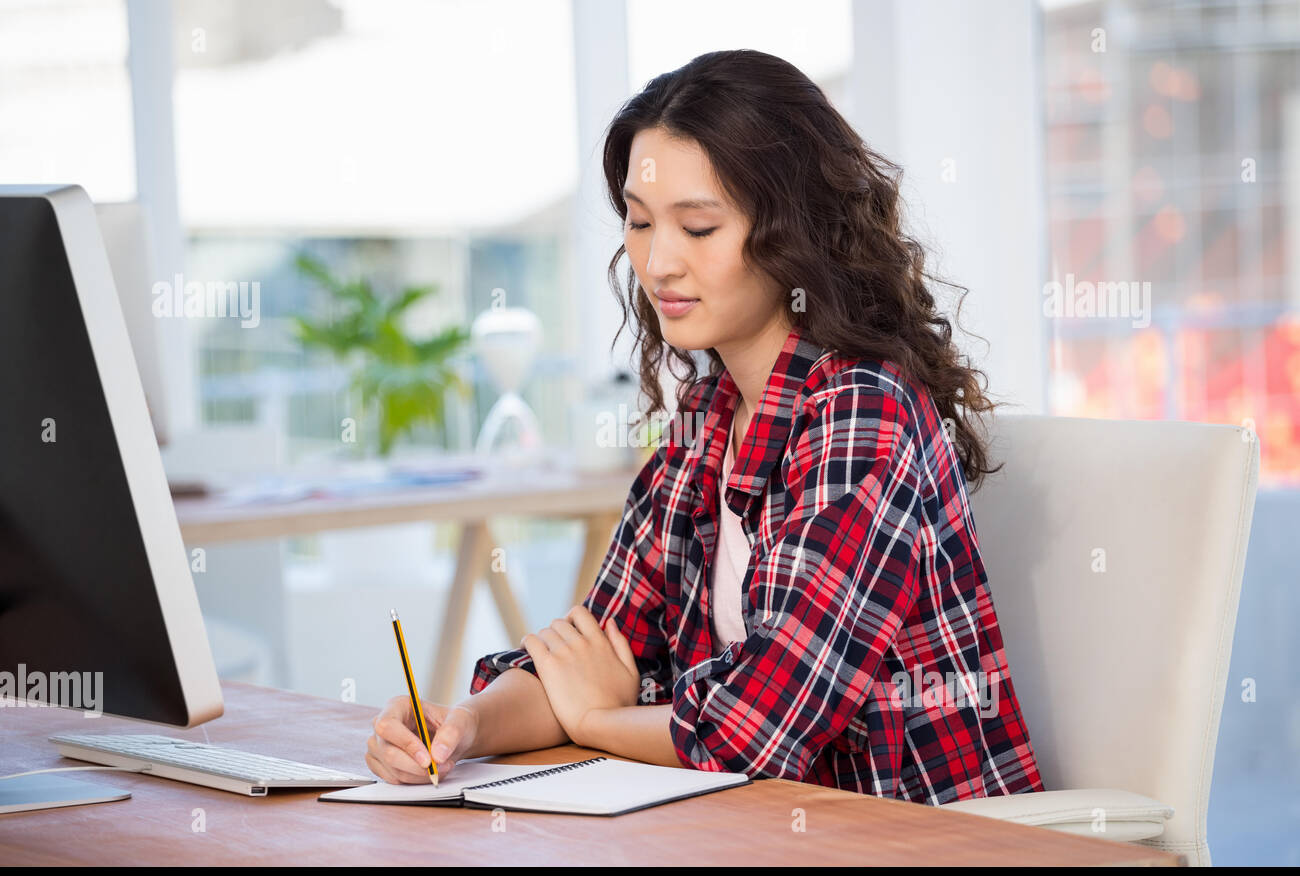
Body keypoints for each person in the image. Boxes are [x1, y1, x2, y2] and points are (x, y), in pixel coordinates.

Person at [365, 49, 1044, 805]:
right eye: (640, 222)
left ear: (795, 231)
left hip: (922, 843)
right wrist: (459, 729)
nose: (658, 264)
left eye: (697, 227)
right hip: (755, 833)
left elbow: (757, 727)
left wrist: (599, 715)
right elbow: (591, 651)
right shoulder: (706, 420)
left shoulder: (863, 412)